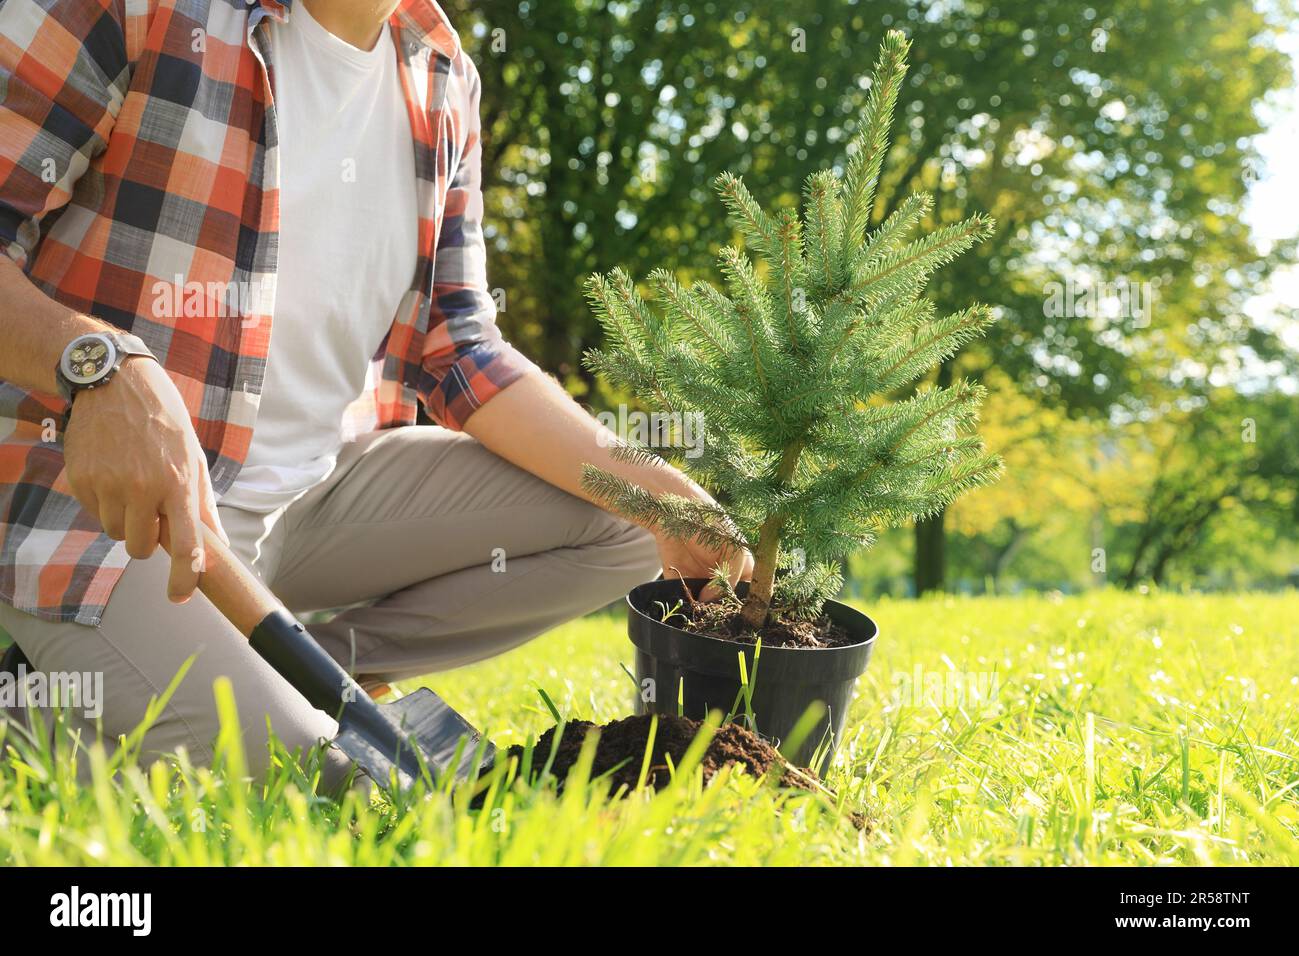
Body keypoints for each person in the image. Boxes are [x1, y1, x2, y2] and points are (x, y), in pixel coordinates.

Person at [0, 0, 751, 789]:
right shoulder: (137, 11)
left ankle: (252, 672)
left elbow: (460, 348)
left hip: (311, 502)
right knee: (346, 791)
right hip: (106, 517)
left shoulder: (441, 74)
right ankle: (69, 700)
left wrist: (665, 494)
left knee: (626, 516)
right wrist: (93, 363)